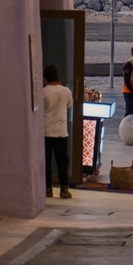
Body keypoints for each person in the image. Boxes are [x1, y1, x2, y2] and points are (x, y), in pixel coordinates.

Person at [42, 65, 73, 199]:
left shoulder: (43, 92)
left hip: (46, 132)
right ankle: (64, 189)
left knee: (47, 162)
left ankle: (48, 189)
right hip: (62, 132)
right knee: (62, 163)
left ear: (45, 78)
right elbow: (69, 105)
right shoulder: (65, 91)